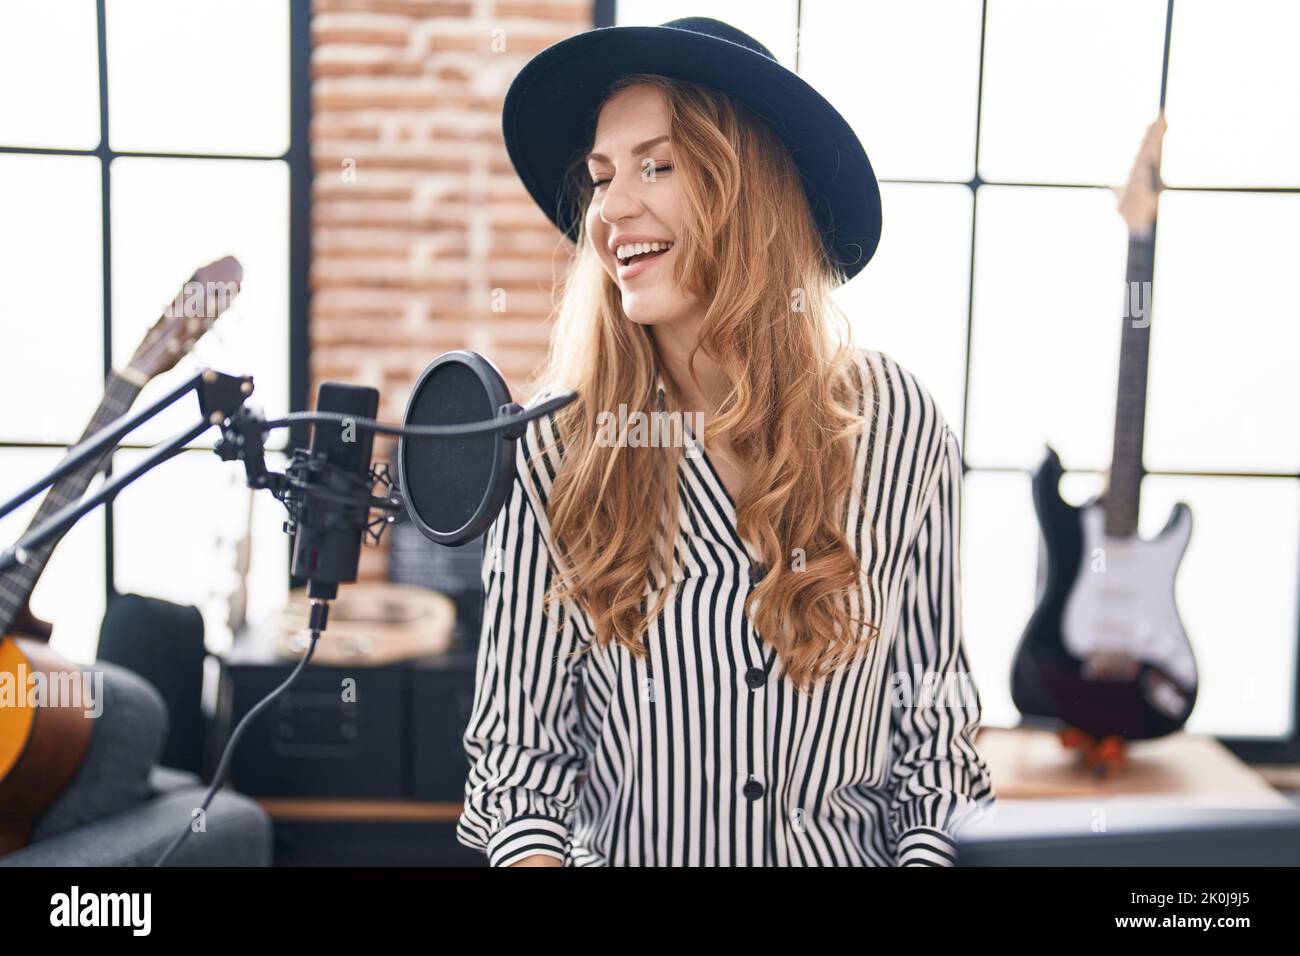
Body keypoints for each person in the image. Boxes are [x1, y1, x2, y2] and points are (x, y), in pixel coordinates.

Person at [455, 16, 996, 866]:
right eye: (601, 178)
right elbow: (518, 769)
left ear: (751, 192)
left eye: (656, 166)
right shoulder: (558, 448)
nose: (611, 209)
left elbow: (936, 744)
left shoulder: (902, 425)